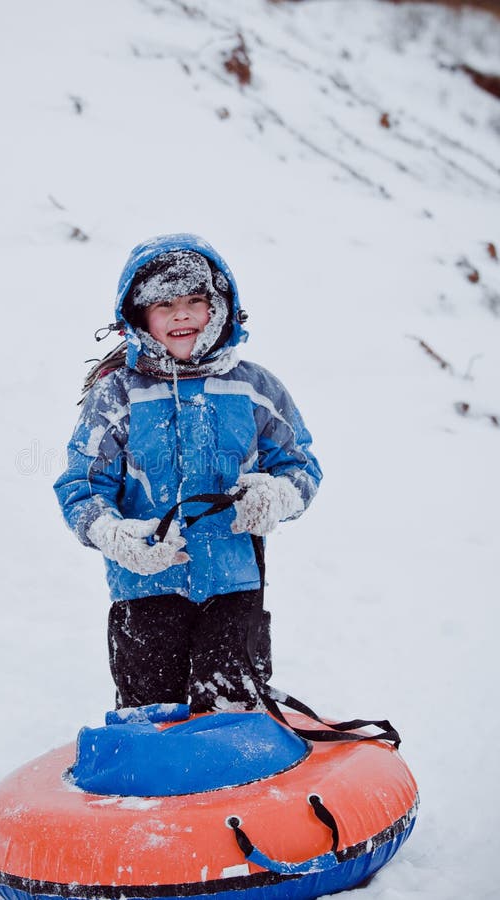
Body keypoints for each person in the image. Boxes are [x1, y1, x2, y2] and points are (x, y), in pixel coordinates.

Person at [54, 233, 322, 713]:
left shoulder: (255, 388)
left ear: (217, 308)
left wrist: (277, 496)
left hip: (234, 590)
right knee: (152, 716)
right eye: (164, 304)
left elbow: (300, 466)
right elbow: (82, 485)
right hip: (145, 592)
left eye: (194, 301)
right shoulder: (116, 395)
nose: (181, 315)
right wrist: (112, 534)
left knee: (233, 714)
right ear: (138, 318)